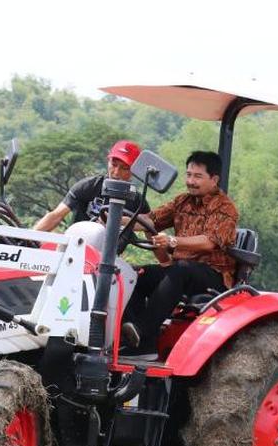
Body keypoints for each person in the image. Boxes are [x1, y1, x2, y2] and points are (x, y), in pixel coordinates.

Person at [120, 151, 239, 360]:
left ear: (214, 179)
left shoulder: (225, 208)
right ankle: (142, 346)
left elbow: (209, 242)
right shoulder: (182, 201)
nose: (190, 181)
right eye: (188, 175)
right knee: (134, 275)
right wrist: (116, 217)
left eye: (197, 176)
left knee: (179, 270)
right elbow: (150, 220)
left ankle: (141, 330)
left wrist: (173, 241)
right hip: (181, 269)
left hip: (213, 274)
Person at [32, 140, 150, 231]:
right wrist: (29, 238)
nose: (116, 172)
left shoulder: (137, 201)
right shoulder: (89, 186)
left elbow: (150, 227)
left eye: (124, 168)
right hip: (77, 246)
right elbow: (56, 216)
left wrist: (119, 220)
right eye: (113, 165)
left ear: (135, 169)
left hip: (110, 256)